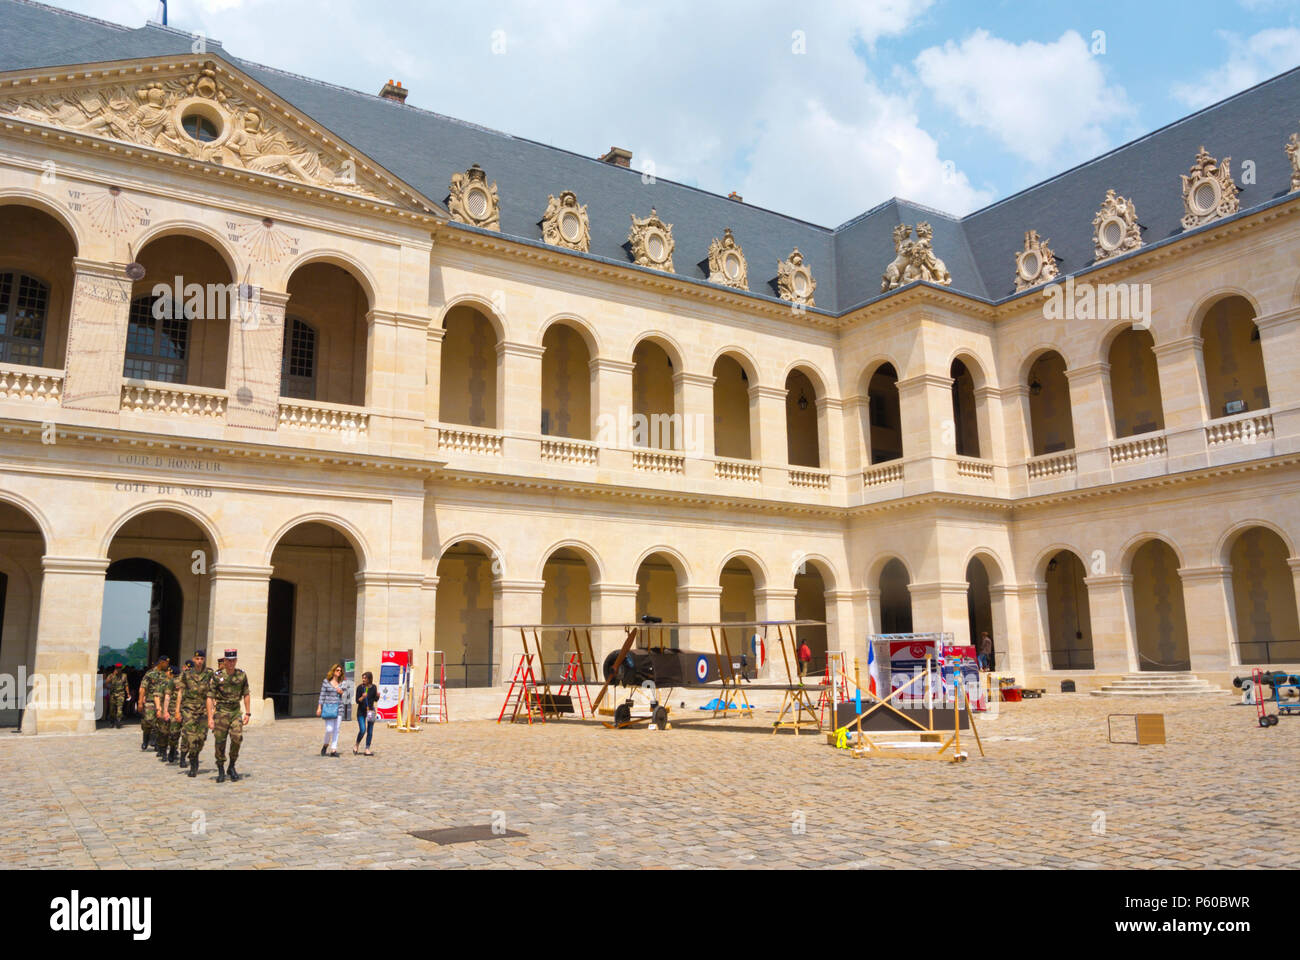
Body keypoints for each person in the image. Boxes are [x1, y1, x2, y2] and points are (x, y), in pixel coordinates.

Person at [206, 648, 251, 783]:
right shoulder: (217, 675)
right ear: (224, 661)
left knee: (237, 738)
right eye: (228, 661)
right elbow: (209, 697)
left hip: (235, 711)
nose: (231, 663)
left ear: (236, 660)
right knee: (220, 741)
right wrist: (210, 717)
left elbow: (246, 693)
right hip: (221, 712)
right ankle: (220, 768)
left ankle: (231, 766)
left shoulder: (241, 675)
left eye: (233, 660)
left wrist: (248, 712)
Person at [178, 650, 214, 777]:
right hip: (189, 709)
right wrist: (177, 711)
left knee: (201, 738)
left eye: (201, 659)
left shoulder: (209, 673)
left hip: (204, 710)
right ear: (193, 659)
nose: (199, 661)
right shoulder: (186, 674)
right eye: (197, 659)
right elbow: (180, 692)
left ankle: (195, 754)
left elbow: (213, 692)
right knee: (191, 738)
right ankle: (193, 764)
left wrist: (213, 710)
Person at [137, 656, 169, 751]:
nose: (167, 665)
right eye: (166, 663)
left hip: (162, 702)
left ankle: (156, 742)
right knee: (148, 720)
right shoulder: (150, 674)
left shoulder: (166, 674)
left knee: (159, 723)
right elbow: (143, 688)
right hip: (150, 701)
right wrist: (140, 702)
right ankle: (146, 739)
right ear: (161, 662)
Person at [317, 663, 346, 757]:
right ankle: (325, 744)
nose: (339, 672)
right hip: (328, 708)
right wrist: (319, 707)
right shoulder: (326, 682)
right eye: (337, 670)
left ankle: (333, 749)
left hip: (339, 708)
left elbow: (347, 696)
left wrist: (342, 692)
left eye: (340, 671)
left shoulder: (343, 683)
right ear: (333, 671)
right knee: (329, 729)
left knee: (336, 729)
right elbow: (322, 695)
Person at [354, 671, 379, 756]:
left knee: (370, 731)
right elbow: (357, 701)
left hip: (370, 711)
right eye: (363, 678)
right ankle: (356, 744)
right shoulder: (360, 688)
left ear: (369, 679)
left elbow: (375, 700)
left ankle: (367, 748)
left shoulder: (374, 687)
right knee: (363, 730)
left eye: (365, 678)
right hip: (361, 711)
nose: (363, 680)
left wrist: (378, 696)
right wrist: (362, 697)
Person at [105, 663, 129, 728]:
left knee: (119, 708)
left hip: (121, 693)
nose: (119, 669)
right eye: (117, 668)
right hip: (113, 694)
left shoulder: (124, 675)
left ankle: (118, 721)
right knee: (112, 709)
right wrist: (113, 674)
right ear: (115, 668)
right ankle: (112, 721)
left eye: (120, 668)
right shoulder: (111, 675)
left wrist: (128, 693)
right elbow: (106, 683)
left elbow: (126, 685)